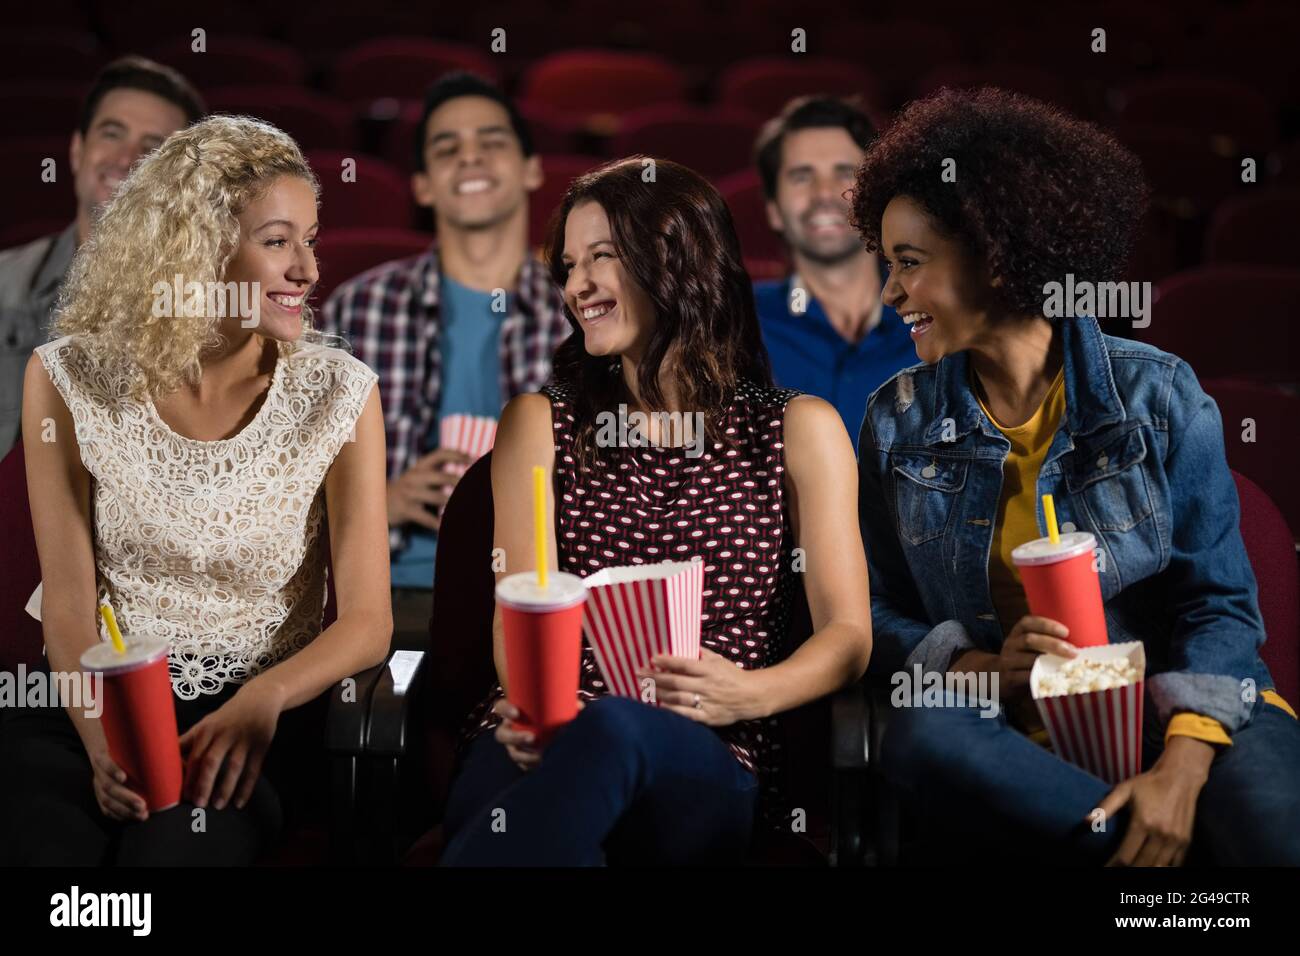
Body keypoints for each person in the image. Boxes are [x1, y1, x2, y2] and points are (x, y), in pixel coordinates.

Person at [852, 87, 1300, 866]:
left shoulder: (1158, 395)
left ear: (996, 256)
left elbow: (1220, 608)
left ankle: (1145, 843)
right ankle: (1160, 870)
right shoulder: (896, 421)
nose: (890, 293)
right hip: (1020, 737)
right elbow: (876, 611)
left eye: (910, 265)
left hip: (1188, 712)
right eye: (886, 266)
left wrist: (1181, 770)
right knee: (922, 731)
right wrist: (987, 670)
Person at [435, 157, 872, 866]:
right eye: (569, 264)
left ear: (676, 260)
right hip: (539, 734)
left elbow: (849, 637)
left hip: (707, 745)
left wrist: (747, 693)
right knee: (553, 781)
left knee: (611, 733)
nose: (577, 286)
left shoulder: (800, 429)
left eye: (602, 257)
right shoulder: (537, 424)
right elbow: (515, 617)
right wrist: (544, 710)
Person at [0, 116, 391, 865]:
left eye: (311, 238)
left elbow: (369, 623)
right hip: (87, 704)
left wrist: (264, 700)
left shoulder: (339, 393)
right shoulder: (63, 376)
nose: (308, 269)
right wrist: (104, 741)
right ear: (195, 246)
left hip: (247, 720)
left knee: (170, 860)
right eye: (278, 241)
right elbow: (69, 609)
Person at [320, 72, 568, 647]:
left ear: (532, 170)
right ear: (424, 186)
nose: (471, 157)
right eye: (447, 148)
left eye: (492, 141)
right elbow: (282, 481)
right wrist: (383, 501)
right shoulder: (360, 306)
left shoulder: (580, 309)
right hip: (390, 599)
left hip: (541, 594)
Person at [0, 55, 205, 458]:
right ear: (77, 150)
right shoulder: (4, 283)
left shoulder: (206, 309)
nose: (127, 159)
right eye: (112, 133)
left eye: (153, 148)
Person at [751, 96, 914, 448]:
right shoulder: (733, 322)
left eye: (844, 173)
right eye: (801, 176)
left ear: (877, 198)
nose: (824, 193)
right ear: (774, 210)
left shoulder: (941, 315)